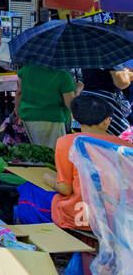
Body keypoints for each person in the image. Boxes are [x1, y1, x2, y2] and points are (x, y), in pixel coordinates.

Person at [51, 93, 120, 230]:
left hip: (81, 217)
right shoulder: (125, 147)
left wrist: (47, 178)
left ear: (75, 118)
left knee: (30, 192)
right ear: (106, 121)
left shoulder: (66, 142)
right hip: (118, 219)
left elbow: (65, 189)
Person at [17, 59, 79, 149]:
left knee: (36, 152)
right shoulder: (63, 75)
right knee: (53, 154)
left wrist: (17, 110)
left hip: (28, 116)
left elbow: (19, 92)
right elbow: (70, 104)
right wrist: (77, 90)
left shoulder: (25, 69)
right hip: (52, 118)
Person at [78, 62, 132, 133]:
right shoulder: (111, 56)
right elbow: (121, 82)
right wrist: (128, 73)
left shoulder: (89, 55)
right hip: (104, 101)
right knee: (125, 136)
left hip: (87, 99)